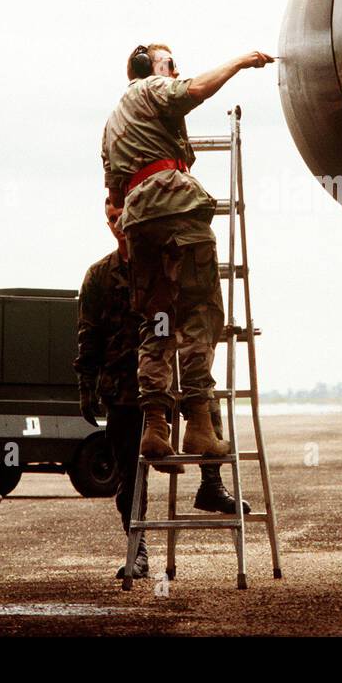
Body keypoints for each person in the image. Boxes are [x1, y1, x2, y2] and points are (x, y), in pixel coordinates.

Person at [101, 43, 273, 466]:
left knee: (157, 320)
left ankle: (156, 426)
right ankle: (199, 422)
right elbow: (195, 91)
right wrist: (241, 60)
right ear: (148, 69)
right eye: (170, 64)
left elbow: (112, 199)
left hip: (140, 222)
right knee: (200, 310)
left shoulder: (112, 124)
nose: (176, 72)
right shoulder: (151, 87)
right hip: (176, 209)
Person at [75, 209, 250, 580]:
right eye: (111, 216)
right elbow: (88, 333)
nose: (119, 221)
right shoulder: (100, 275)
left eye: (124, 213)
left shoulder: (170, 265)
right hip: (124, 385)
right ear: (108, 223)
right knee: (130, 476)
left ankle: (211, 484)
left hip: (174, 378)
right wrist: (85, 383)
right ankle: (137, 553)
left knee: (206, 411)